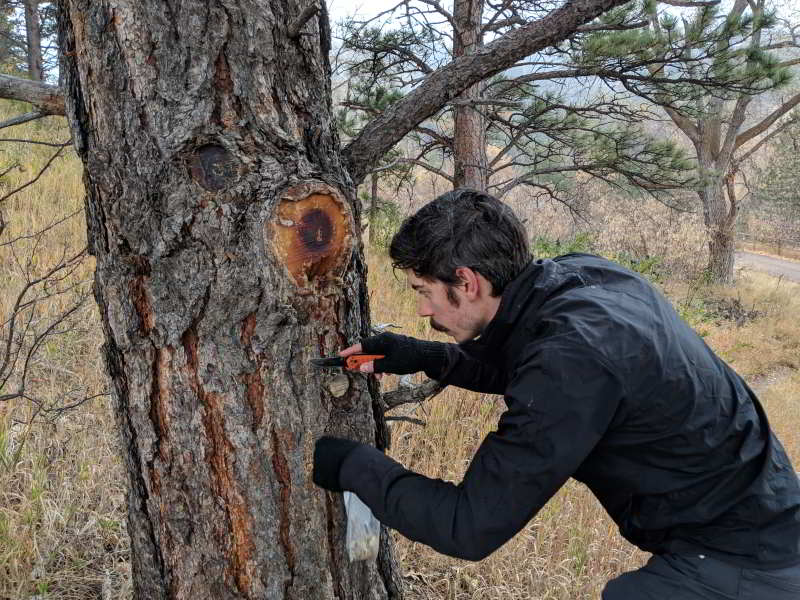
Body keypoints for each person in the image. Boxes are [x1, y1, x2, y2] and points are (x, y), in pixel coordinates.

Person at [312, 189, 800, 598]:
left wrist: (352, 466)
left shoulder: (572, 358)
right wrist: (422, 355)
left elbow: (467, 527)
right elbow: (539, 370)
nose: (421, 309)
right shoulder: (583, 279)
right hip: (767, 514)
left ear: (467, 282)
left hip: (747, 560)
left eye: (425, 292)